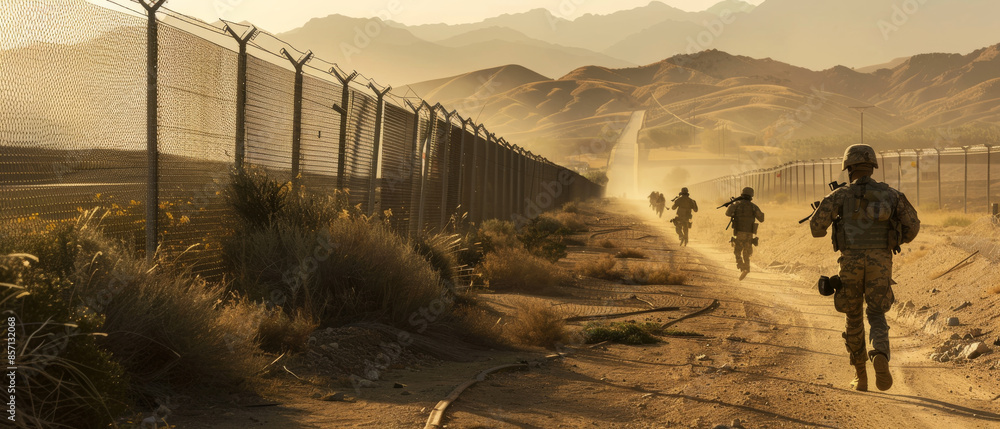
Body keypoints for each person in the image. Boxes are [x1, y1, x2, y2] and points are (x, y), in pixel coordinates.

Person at [809, 144, 920, 392]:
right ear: (872, 166)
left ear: (848, 168)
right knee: (877, 314)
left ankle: (861, 376)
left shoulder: (838, 196)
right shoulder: (891, 195)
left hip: (850, 264)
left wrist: (837, 216)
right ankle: (879, 352)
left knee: (853, 316)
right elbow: (912, 227)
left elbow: (816, 229)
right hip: (881, 263)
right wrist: (892, 240)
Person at [725, 187, 764, 280]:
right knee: (746, 252)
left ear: (742, 194)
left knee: (737, 251)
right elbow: (761, 219)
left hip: (739, 232)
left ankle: (741, 266)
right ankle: (746, 267)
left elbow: (727, 213)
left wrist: (733, 204)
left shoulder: (737, 205)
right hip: (749, 233)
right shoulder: (753, 206)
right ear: (751, 195)